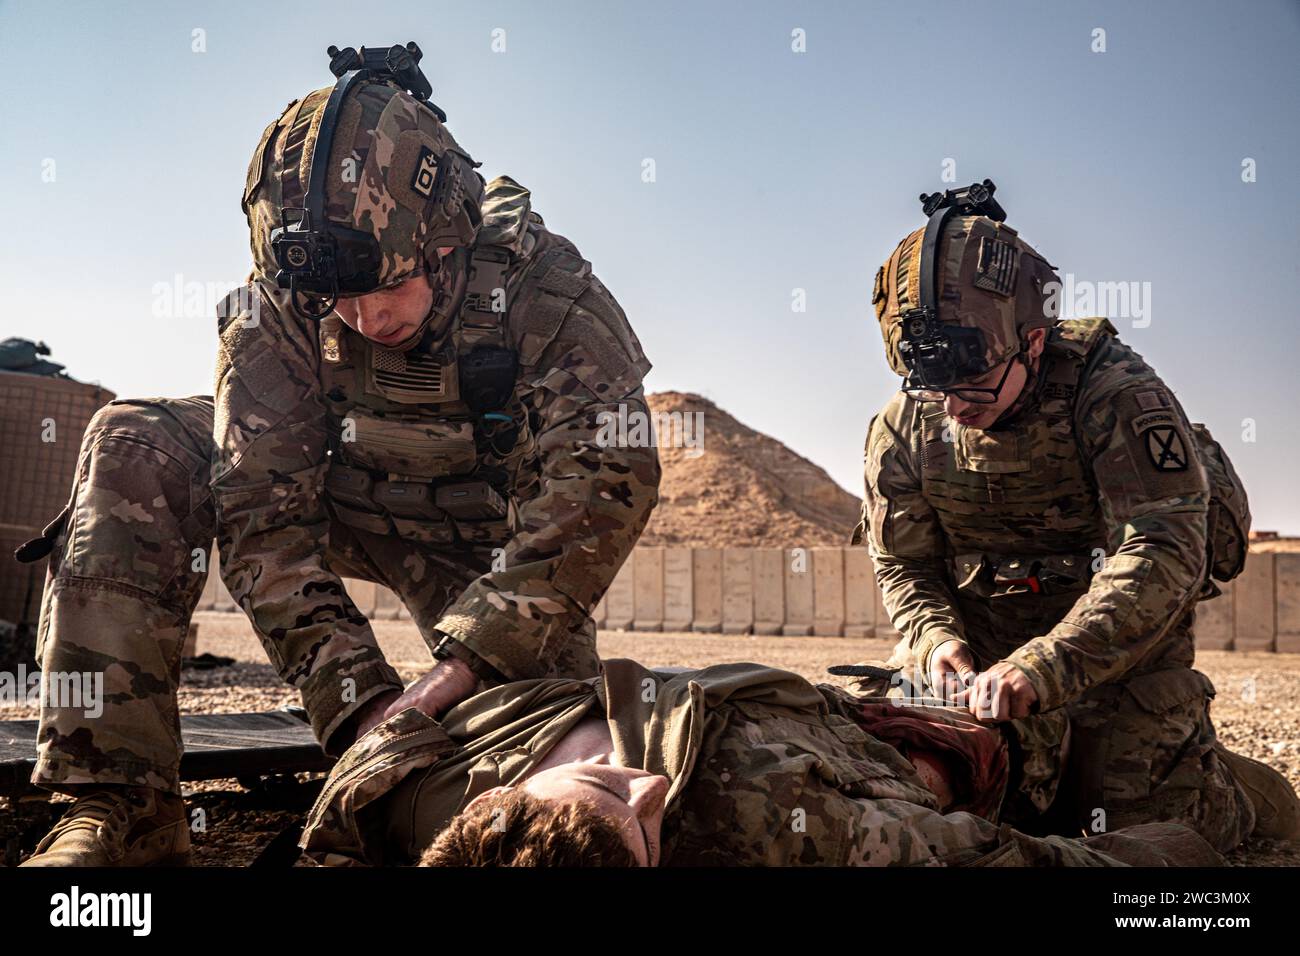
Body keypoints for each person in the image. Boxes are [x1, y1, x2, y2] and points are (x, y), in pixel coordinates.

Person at [20, 43, 659, 866]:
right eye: (334, 299)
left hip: (486, 546)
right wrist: (359, 708)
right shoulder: (279, 305)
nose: (359, 319)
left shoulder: (547, 294)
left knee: (544, 771)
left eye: (383, 286)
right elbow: (263, 516)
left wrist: (462, 669)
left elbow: (607, 480)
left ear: (444, 240)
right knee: (136, 437)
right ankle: (118, 807)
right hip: (343, 499)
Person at [850, 180, 1298, 852]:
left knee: (1145, 834)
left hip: (1118, 659)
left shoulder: (1113, 393)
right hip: (981, 659)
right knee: (902, 782)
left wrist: (1044, 670)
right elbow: (903, 561)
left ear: (1033, 342)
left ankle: (1247, 795)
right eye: (932, 389)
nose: (953, 409)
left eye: (973, 386)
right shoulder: (905, 426)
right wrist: (936, 640)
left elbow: (1163, 547)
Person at [299, 659, 1223, 867]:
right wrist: (1187, 878)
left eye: (607, 784)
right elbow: (1001, 862)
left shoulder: (396, 799)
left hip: (842, 690)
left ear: (495, 797)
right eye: (646, 826)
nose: (652, 785)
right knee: (1180, 757)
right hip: (967, 744)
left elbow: (388, 731)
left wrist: (448, 674)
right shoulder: (775, 828)